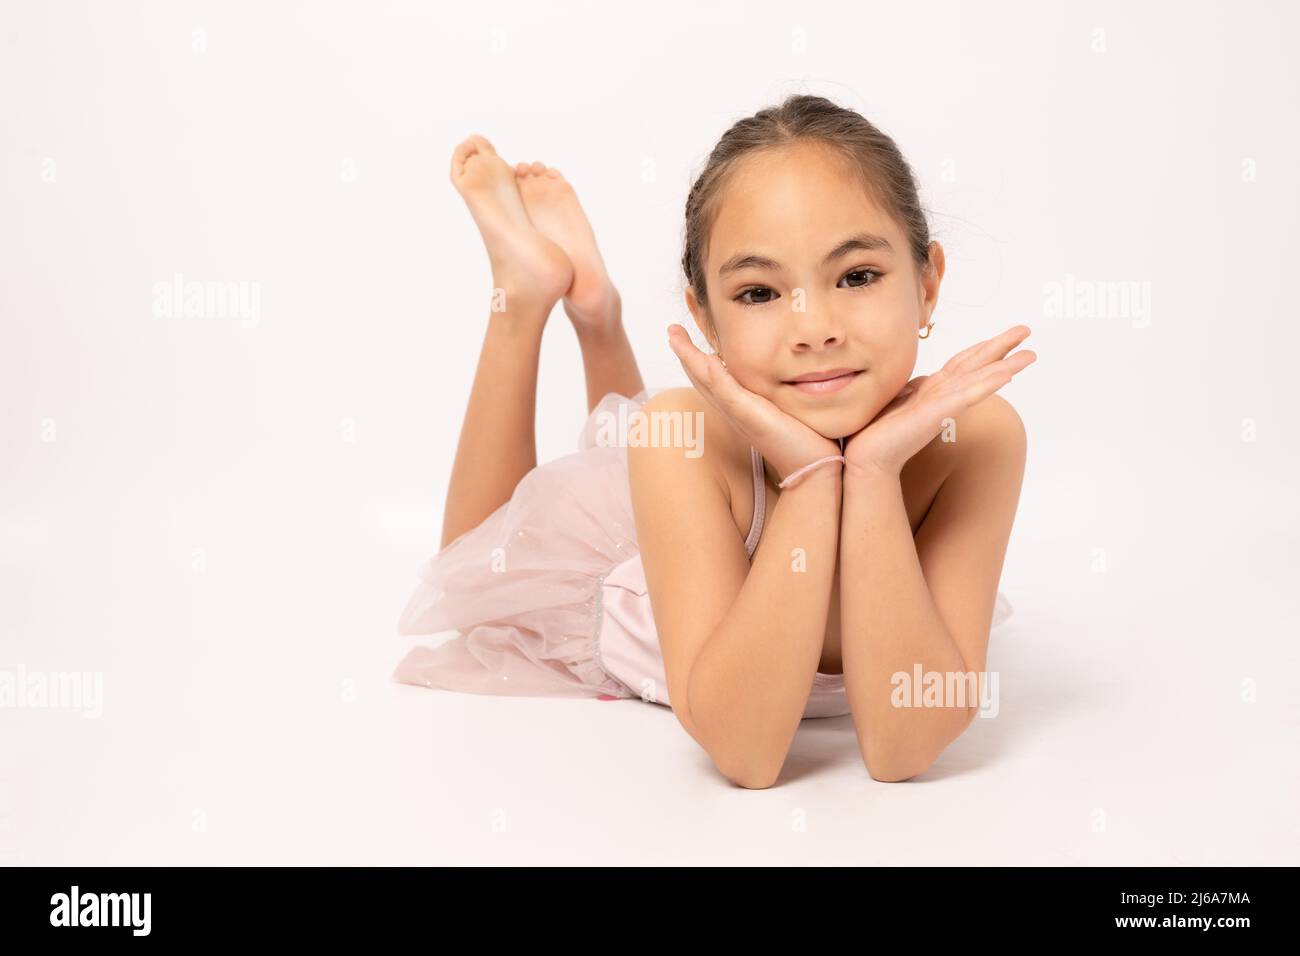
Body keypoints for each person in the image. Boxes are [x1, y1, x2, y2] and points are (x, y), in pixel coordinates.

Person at [394, 94, 1035, 788]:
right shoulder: (680, 445)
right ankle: (524, 293)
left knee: (636, 433)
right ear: (704, 317)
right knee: (475, 566)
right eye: (759, 293)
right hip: (639, 556)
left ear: (928, 282)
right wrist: (816, 476)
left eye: (857, 277)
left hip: (693, 479)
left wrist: (873, 472)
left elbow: (903, 748)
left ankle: (596, 313)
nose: (813, 328)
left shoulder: (974, 440)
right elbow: (747, 755)